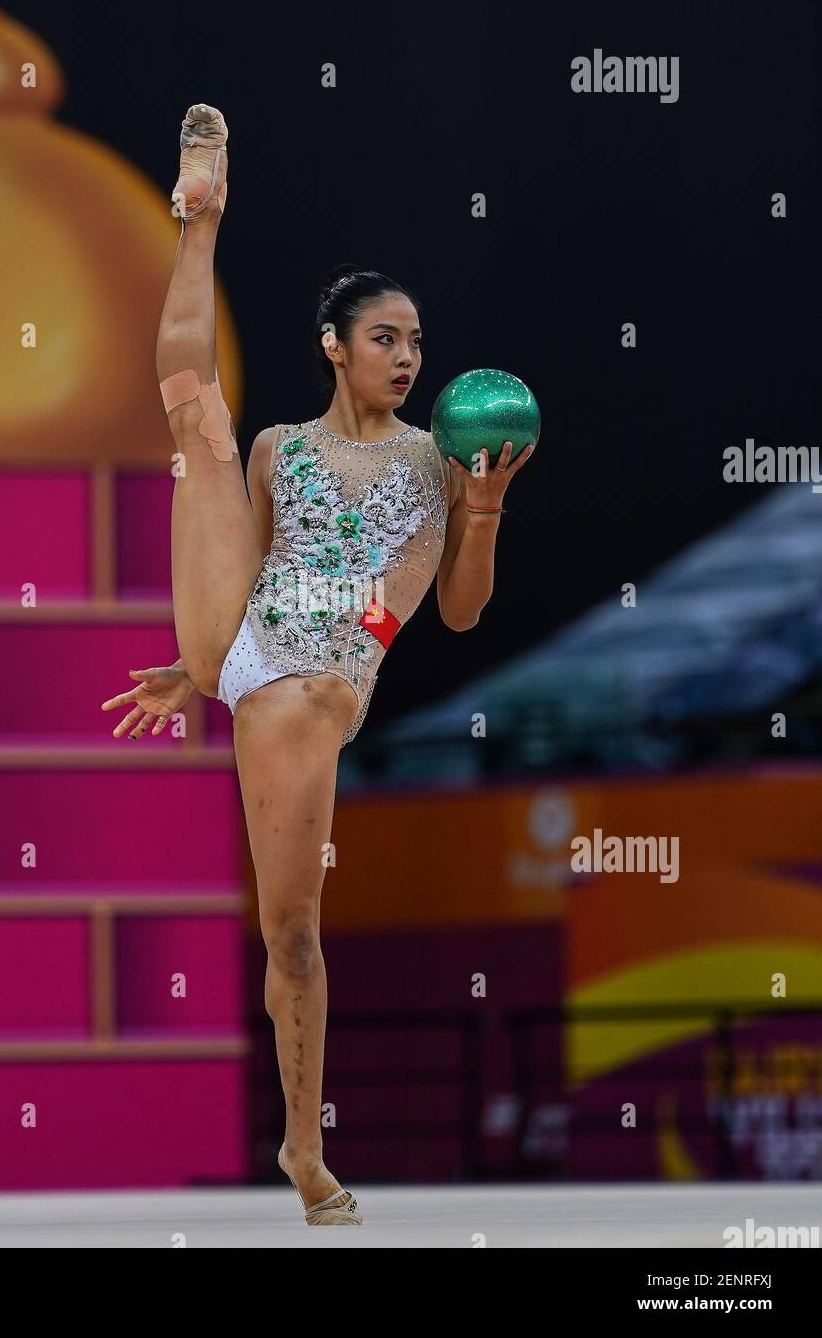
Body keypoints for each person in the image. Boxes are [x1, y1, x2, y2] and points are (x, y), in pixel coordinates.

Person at [101, 104, 534, 1224]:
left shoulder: (436, 464)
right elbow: (238, 562)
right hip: (248, 643)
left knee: (291, 929)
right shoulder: (280, 450)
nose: (405, 356)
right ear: (335, 346)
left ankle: (304, 1150)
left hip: (326, 678)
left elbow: (460, 610)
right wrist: (184, 662)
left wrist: (481, 508)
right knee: (193, 409)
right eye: (386, 337)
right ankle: (202, 215)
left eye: (417, 343)